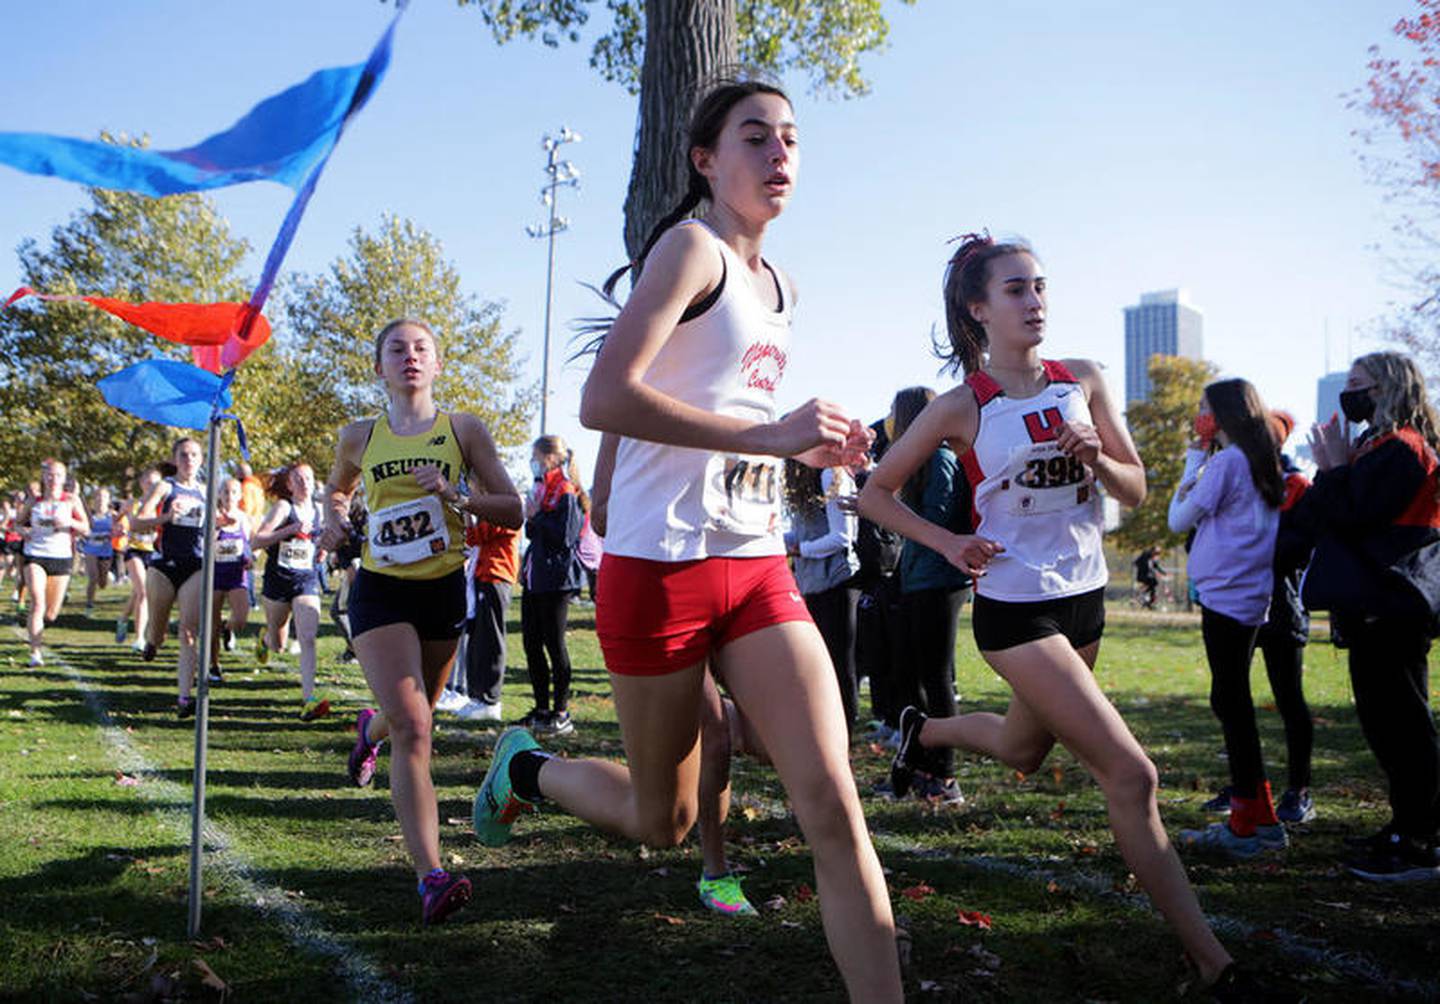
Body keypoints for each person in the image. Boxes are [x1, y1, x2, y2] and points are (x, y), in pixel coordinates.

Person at [472, 82, 902, 1001]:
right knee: (660, 820)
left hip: (755, 567)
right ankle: (529, 766)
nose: (779, 153)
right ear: (706, 160)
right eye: (756, 138)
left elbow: (732, 411)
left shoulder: (780, 285)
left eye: (791, 138)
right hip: (658, 571)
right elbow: (604, 398)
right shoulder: (689, 249)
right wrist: (768, 436)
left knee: (831, 805)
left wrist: (810, 441)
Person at [858, 233, 1274, 999]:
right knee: (1131, 773)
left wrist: (1098, 459)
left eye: (1041, 286)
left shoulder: (1082, 379)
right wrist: (948, 541)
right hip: (1014, 609)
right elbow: (875, 493)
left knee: (1023, 749)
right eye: (1016, 289)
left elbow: (1137, 490)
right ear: (978, 309)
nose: (1036, 301)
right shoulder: (958, 407)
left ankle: (924, 731)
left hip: (1084, 597)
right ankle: (1213, 965)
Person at [320, 317, 522, 926]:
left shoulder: (462, 430)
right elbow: (336, 491)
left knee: (413, 717)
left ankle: (367, 730)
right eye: (396, 349)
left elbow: (512, 507)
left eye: (421, 349)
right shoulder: (359, 435)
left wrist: (456, 495)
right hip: (380, 592)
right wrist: (333, 519)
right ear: (378, 367)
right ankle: (431, 876)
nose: (410, 357)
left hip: (441, 593)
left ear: (436, 364)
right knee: (417, 729)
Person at [1300, 350, 1440, 881]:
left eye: (1360, 384)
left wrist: (1333, 471)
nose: (1350, 393)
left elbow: (1355, 516)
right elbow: (1320, 516)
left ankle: (1421, 838)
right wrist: (1331, 471)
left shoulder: (1404, 449)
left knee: (1405, 726)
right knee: (1385, 725)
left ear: (1389, 390)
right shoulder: (1369, 447)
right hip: (1369, 605)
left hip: (1396, 603)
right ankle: (1407, 822)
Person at [1167, 379, 1286, 859]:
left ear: (1226, 415)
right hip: (1245, 594)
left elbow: (1178, 518)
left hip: (1227, 597)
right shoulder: (1256, 459)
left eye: (1203, 409)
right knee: (1232, 701)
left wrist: (1194, 460)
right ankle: (1260, 815)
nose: (1199, 417)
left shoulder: (1229, 461)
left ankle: (1247, 825)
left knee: (1233, 706)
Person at [890, 385, 974, 804]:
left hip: (940, 582)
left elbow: (936, 523)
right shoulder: (920, 463)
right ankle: (920, 762)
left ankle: (946, 776)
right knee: (915, 675)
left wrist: (893, 513)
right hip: (918, 580)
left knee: (938, 677)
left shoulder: (939, 458)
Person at [516, 434, 587, 736]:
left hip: (556, 580)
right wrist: (531, 518)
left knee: (554, 645)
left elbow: (566, 536)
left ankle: (561, 711)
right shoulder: (543, 488)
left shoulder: (566, 490)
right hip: (536, 577)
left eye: (537, 456)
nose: (534, 462)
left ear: (552, 458)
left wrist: (539, 518)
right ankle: (541, 708)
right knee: (531, 643)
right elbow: (535, 532)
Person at [783, 458, 861, 731]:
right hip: (813, 583)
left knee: (839, 664)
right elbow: (806, 529)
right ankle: (824, 726)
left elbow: (842, 537)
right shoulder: (807, 480)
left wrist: (799, 549)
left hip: (837, 582)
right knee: (819, 662)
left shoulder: (831, 474)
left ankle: (844, 731)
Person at [133, 438, 208, 717]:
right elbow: (137, 522)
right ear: (176, 459)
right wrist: (165, 517)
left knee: (189, 631)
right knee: (159, 629)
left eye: (194, 455)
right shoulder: (165, 487)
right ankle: (152, 642)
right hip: (163, 565)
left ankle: (184, 698)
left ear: (201, 460)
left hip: (195, 565)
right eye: (184, 455)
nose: (189, 460)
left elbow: (213, 526)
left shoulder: (206, 490)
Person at [252, 462, 329, 721]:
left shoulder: (319, 510)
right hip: (278, 581)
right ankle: (266, 638)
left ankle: (309, 699)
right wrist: (289, 530)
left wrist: (324, 549)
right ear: (290, 484)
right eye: (299, 478)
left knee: (308, 637)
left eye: (308, 477)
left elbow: (324, 539)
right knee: (278, 644)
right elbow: (258, 540)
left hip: (306, 580)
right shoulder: (285, 508)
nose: (305, 482)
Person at [20, 459, 89, 666]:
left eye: (57, 475)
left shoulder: (71, 500)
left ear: (64, 478)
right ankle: (35, 653)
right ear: (43, 477)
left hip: (61, 557)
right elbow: (17, 524)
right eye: (49, 474)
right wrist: (24, 531)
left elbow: (86, 528)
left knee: (51, 613)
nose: (53, 479)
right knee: (37, 602)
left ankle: (38, 626)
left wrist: (69, 522)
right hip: (35, 554)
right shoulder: (34, 501)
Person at [456, 512, 519, 721]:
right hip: (482, 574)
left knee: (491, 637)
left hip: (496, 574)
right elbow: (472, 538)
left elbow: (481, 534)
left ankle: (490, 698)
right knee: (477, 636)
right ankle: (476, 694)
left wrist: (471, 509)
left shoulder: (504, 508)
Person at [209, 478, 254, 683]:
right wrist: (218, 527)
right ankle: (214, 665)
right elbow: (205, 544)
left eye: (233, 492)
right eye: (225, 492)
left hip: (237, 574)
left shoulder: (244, 518)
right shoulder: (213, 516)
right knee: (211, 623)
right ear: (219, 494)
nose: (229, 496)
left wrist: (251, 558)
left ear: (240, 495)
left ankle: (228, 629)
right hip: (215, 574)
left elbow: (252, 543)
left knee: (242, 618)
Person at [116, 468, 160, 650]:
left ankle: (123, 617)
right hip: (134, 550)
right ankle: (140, 638)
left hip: (153, 552)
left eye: (155, 484)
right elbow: (117, 521)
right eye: (148, 483)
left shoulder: (161, 506)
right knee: (143, 591)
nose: (151, 486)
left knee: (138, 592)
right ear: (141, 484)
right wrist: (120, 528)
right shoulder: (132, 504)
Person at [80, 486, 115, 616]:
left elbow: (118, 530)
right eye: (98, 497)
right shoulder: (89, 515)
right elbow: (83, 530)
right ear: (94, 500)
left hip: (106, 550)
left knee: (102, 583)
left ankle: (108, 577)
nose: (100, 499)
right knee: (93, 578)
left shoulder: (113, 516)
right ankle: (89, 605)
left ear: (108, 500)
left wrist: (115, 533)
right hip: (91, 549)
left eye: (104, 497)